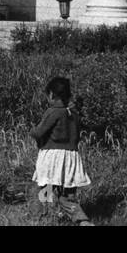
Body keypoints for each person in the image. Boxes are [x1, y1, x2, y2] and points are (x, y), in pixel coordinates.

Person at [30, 76, 92, 225]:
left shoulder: (53, 112)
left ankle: (42, 219)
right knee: (67, 196)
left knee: (45, 189)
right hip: (70, 159)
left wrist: (32, 131)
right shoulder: (74, 114)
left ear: (51, 94)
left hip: (52, 159)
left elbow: (39, 133)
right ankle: (82, 221)